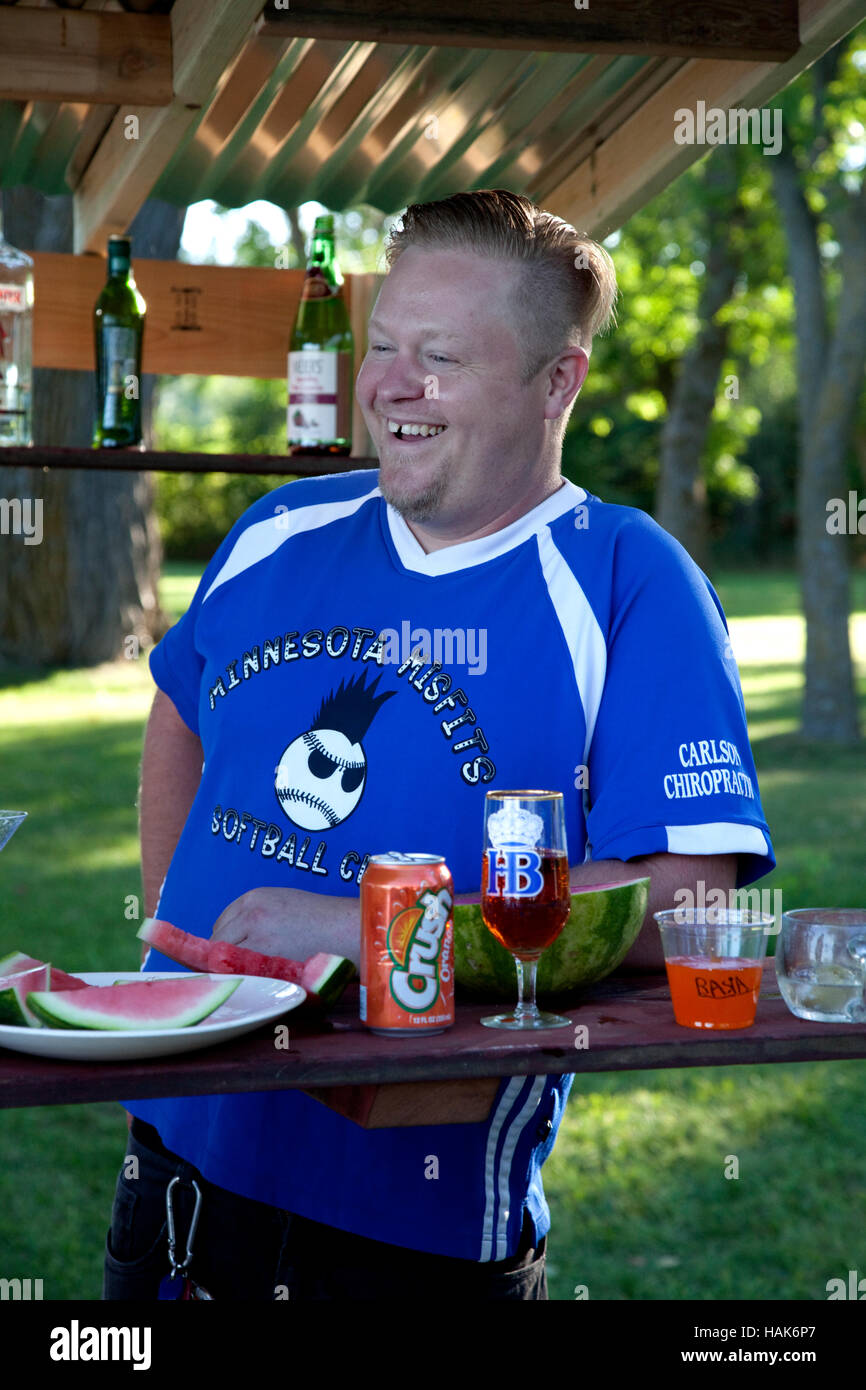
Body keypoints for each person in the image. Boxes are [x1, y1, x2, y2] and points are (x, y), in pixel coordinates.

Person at [104, 189, 775, 1302]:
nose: (386, 386)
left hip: (405, 1221)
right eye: (378, 347)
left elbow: (686, 896)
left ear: (555, 380)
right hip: (176, 1157)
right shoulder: (283, 525)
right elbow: (181, 701)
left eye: (440, 357)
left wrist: (368, 933)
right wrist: (180, 943)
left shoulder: (627, 578)